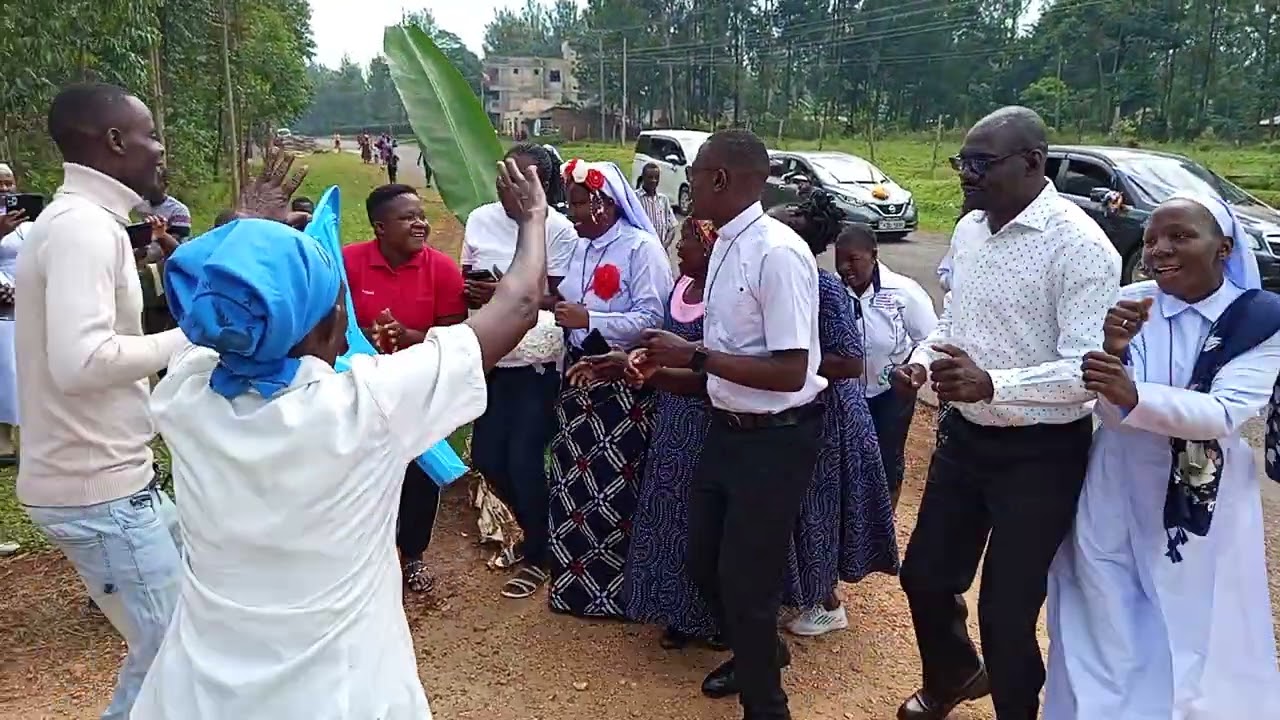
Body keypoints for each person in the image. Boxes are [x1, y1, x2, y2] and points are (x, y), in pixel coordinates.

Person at [131, 158, 550, 719]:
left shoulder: (185, 391)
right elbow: (519, 306)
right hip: (340, 694)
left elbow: (217, 311)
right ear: (332, 326)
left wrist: (245, 231)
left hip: (198, 692)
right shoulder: (366, 406)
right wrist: (534, 218)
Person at [890, 106, 1120, 720]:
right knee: (926, 577)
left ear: (1033, 163)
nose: (966, 175)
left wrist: (992, 383)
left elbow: (1087, 373)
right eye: (962, 162)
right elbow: (954, 321)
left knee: (1006, 614)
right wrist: (921, 360)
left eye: (981, 163)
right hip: (966, 440)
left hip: (1041, 456)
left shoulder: (1080, 247)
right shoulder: (970, 230)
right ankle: (954, 676)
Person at [1044, 194, 1280, 719]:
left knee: (1191, 621)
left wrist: (1133, 394)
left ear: (1223, 248)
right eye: (1151, 240)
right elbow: (1106, 405)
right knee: (1099, 613)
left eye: (1180, 236)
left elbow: (1224, 412)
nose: (1160, 250)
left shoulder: (1261, 318)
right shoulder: (1129, 304)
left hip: (1204, 492)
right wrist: (1114, 352)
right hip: (1115, 477)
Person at [636, 129, 826, 720]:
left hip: (778, 440)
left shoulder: (777, 253)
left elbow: (790, 372)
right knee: (703, 561)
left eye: (694, 173)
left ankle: (767, 705)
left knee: (748, 583)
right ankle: (759, 651)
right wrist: (649, 371)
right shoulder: (722, 246)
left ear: (718, 179)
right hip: (727, 430)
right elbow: (720, 371)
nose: (688, 184)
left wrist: (693, 355)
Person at [12, 83, 188, 720]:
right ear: (114, 141)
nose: (159, 149)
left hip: (117, 481)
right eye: (150, 135)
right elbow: (82, 361)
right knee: (170, 653)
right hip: (96, 491)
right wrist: (192, 338)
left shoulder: (88, 224)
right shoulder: (82, 229)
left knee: (184, 632)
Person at [767, 191, 898, 639]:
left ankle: (827, 604)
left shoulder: (821, 286)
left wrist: (787, 361)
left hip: (832, 413)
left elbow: (850, 361)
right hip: (809, 405)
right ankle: (807, 593)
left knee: (820, 508)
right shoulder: (787, 276)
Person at [545, 159, 672, 618]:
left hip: (623, 384)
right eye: (570, 203)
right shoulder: (579, 247)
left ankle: (621, 594)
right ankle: (573, 591)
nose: (573, 212)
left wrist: (590, 318)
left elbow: (653, 320)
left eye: (580, 203)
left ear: (606, 203)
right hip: (578, 379)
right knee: (572, 486)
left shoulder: (642, 249)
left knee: (616, 488)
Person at [461, 143, 575, 599]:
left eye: (519, 177)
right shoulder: (480, 219)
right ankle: (528, 530)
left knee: (524, 458)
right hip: (490, 359)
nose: (506, 183)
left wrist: (506, 295)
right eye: (502, 174)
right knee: (487, 457)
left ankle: (539, 554)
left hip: (535, 363)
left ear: (541, 185)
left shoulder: (559, 229)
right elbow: (466, 275)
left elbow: (561, 299)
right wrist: (476, 292)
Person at [604, 217, 724, 649]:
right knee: (667, 512)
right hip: (672, 415)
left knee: (701, 521)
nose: (679, 247)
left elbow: (714, 364)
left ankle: (711, 616)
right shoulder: (680, 287)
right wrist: (641, 359)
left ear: (709, 247)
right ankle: (675, 610)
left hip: (705, 419)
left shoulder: (722, 297)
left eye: (688, 240)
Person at [342, 183, 467, 595]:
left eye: (421, 216)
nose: (420, 224)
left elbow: (454, 338)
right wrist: (362, 335)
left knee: (419, 476)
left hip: (418, 390)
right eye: (408, 217)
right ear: (379, 227)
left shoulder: (442, 270)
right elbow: (331, 320)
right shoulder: (349, 263)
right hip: (360, 391)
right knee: (364, 476)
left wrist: (410, 336)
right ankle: (367, 558)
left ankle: (413, 554)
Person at [835, 223, 937, 508]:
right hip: (847, 394)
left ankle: (884, 519)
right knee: (847, 458)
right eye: (839, 260)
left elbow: (931, 338)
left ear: (874, 255)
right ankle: (851, 519)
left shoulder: (903, 292)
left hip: (891, 393)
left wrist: (915, 368)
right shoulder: (834, 292)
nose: (844, 268)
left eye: (853, 259)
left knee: (886, 459)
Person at [0, 165, 30, 468]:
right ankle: (4, 439)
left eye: (9, 183)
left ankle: (33, 437)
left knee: (29, 366)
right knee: (5, 370)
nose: (5, 189)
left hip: (28, 296)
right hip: (2, 302)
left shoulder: (28, 220)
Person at [135, 166, 192, 242]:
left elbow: (176, 244)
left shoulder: (179, 210)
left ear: (165, 185)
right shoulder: (140, 204)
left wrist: (159, 233)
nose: (148, 186)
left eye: (153, 182)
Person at [636, 162, 678, 249]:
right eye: (650, 177)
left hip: (663, 251)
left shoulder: (663, 200)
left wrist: (664, 246)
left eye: (656, 177)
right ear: (643, 177)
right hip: (643, 251)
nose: (654, 180)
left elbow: (672, 227)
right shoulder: (635, 198)